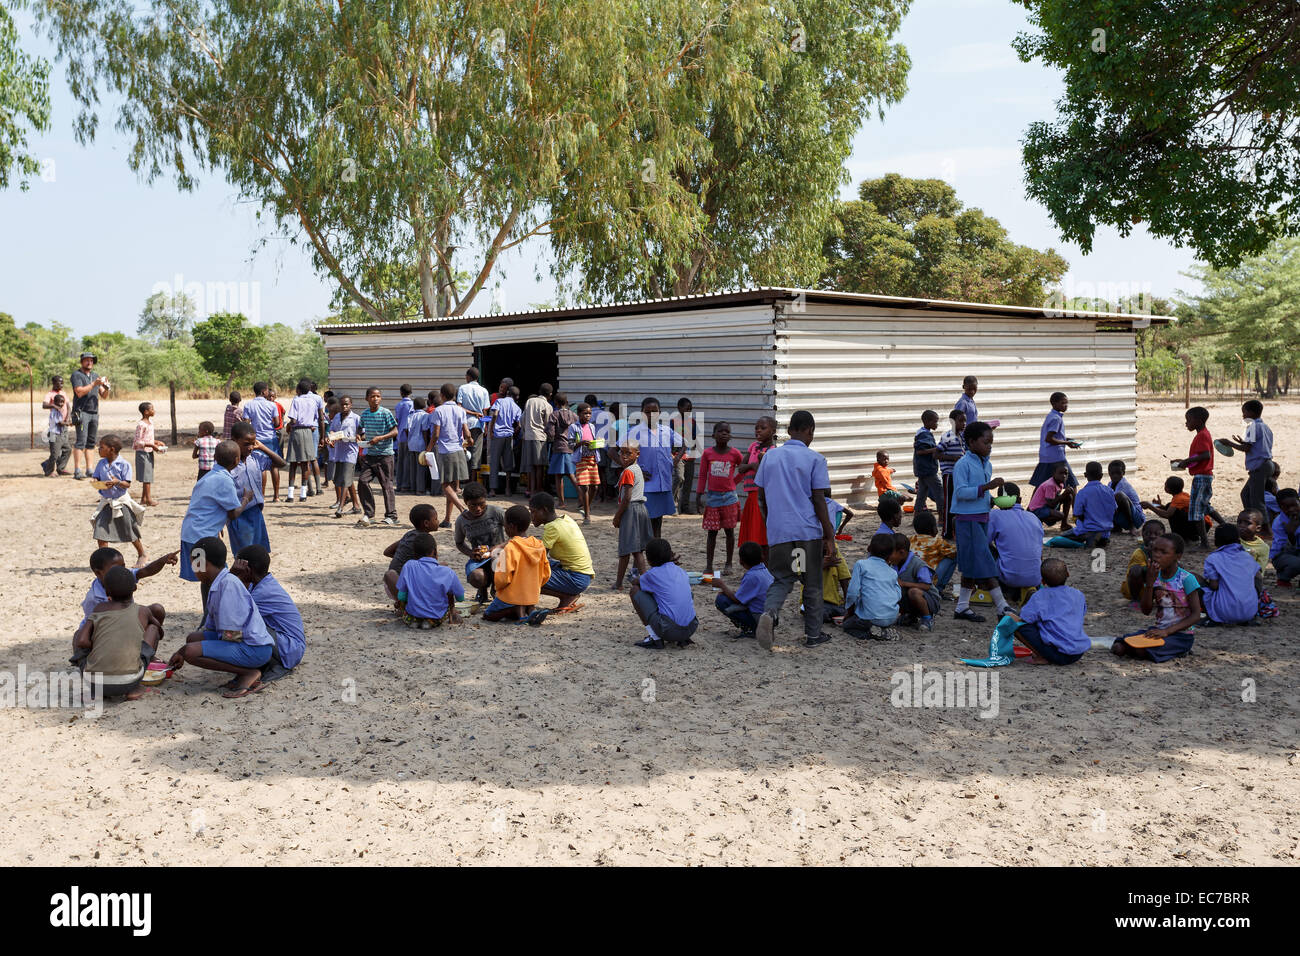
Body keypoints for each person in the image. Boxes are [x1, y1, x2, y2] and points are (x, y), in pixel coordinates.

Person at [753, 410, 835, 651]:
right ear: (810, 431)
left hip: (779, 532)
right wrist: (829, 536)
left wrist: (771, 521)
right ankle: (813, 635)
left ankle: (770, 612)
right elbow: (819, 500)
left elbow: (761, 496)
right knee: (811, 584)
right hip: (807, 532)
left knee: (782, 578)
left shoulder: (770, 457)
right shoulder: (815, 459)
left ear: (789, 430)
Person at [169, 536, 274, 698]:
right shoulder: (218, 583)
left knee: (190, 651)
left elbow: (233, 635)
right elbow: (213, 627)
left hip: (254, 649)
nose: (193, 569)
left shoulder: (228, 586)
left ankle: (248, 672)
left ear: (204, 564)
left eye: (194, 564)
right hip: (240, 640)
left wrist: (184, 651)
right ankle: (243, 671)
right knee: (193, 638)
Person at [178, 441, 256, 607]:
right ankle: (212, 615)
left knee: (207, 578)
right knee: (218, 577)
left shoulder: (209, 476)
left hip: (191, 534)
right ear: (236, 460)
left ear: (214, 457)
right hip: (202, 538)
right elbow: (234, 513)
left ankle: (208, 614)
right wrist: (246, 499)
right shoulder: (225, 481)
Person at [73, 566, 163, 701]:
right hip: (129, 681)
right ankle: (135, 689)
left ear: (107, 592)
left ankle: (93, 692)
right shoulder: (143, 611)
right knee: (153, 629)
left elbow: (81, 641)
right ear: (135, 588)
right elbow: (158, 630)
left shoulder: (99, 608)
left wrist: (97, 644)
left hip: (94, 682)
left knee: (77, 634)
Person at [950, 421, 1010, 621]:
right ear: (972, 442)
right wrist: (986, 487)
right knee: (985, 562)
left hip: (982, 516)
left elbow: (979, 493)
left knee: (971, 564)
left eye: (991, 443)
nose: (989, 446)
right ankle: (1002, 606)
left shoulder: (986, 463)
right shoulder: (963, 464)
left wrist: (993, 500)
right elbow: (960, 492)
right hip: (967, 519)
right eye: (986, 442)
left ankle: (962, 607)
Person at [1113, 533, 1201, 661]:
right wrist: (1149, 584)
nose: (1156, 555)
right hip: (1158, 631)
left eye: (1163, 552)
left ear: (1178, 556)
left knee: (1141, 651)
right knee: (1119, 646)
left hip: (1181, 635)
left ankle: (1180, 650)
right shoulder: (1155, 576)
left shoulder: (1187, 579)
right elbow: (1146, 610)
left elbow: (1196, 615)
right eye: (1154, 550)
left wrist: (1167, 632)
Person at [231, 544, 306, 683]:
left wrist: (232, 576)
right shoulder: (259, 583)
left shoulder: (263, 592)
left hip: (290, 648)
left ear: (247, 570)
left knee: (241, 629)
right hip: (287, 644)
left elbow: (231, 611)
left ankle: (277, 665)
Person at [1005, 558, 1089, 665]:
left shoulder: (1040, 596)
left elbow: (1024, 618)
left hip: (1058, 654)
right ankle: (1046, 652)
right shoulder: (1078, 594)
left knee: (1012, 620)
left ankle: (1041, 656)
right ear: (1068, 574)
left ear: (1042, 581)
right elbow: (1081, 613)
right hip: (1078, 653)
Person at [483, 505, 550, 623]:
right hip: (531, 595)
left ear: (511, 527)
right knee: (525, 599)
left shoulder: (509, 548)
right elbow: (546, 574)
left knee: (488, 615)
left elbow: (502, 579)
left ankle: (515, 610)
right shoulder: (539, 545)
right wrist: (533, 587)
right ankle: (529, 609)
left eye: (505, 526)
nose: (505, 529)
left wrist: (497, 588)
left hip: (512, 596)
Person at [627, 397, 684, 536]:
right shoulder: (635, 432)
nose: (651, 414)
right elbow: (613, 451)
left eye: (654, 411)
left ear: (659, 413)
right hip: (645, 486)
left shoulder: (666, 431)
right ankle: (641, 553)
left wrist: (674, 461)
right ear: (641, 413)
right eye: (647, 411)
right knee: (643, 522)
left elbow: (683, 444)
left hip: (663, 484)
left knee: (658, 523)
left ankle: (655, 553)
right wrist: (633, 470)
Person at [530, 492, 594, 611]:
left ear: (544, 510)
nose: (531, 516)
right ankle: (567, 595)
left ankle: (566, 596)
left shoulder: (552, 527)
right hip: (584, 574)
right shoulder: (566, 519)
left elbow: (537, 559)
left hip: (576, 578)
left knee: (528, 574)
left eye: (533, 512)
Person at [228, 421, 285, 555]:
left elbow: (281, 463)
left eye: (253, 443)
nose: (250, 447)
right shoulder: (228, 464)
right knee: (245, 556)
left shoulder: (255, 458)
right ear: (234, 441)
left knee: (261, 554)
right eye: (246, 444)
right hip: (239, 516)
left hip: (256, 513)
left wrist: (263, 448)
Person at [90, 435, 147, 566]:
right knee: (100, 531)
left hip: (121, 502)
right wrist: (96, 482)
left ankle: (142, 553)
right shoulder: (101, 463)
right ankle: (105, 560)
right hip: (106, 502)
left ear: (112, 449)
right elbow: (97, 478)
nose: (99, 449)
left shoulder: (124, 464)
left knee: (130, 530)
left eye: (102, 447)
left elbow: (127, 484)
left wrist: (117, 482)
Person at [630, 537, 698, 648]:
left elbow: (635, 582)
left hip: (669, 630)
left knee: (635, 591)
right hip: (691, 628)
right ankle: (683, 638)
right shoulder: (680, 570)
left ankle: (655, 638)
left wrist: (633, 576)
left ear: (649, 560)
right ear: (670, 554)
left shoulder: (653, 574)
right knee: (684, 593)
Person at [694, 421, 743, 574]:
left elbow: (743, 469)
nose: (723, 434)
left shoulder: (735, 454)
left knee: (729, 532)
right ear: (713, 435)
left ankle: (728, 564)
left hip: (729, 498)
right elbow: (702, 475)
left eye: (727, 431)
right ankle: (709, 565)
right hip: (713, 498)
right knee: (712, 533)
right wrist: (699, 494)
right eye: (720, 431)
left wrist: (733, 483)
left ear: (730, 436)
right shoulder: (708, 454)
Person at [394, 533, 463, 628]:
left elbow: (401, 596)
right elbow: (461, 598)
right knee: (448, 588)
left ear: (414, 553)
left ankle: (415, 618)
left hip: (411, 617)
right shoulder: (448, 572)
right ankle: (452, 613)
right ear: (435, 552)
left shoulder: (409, 566)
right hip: (436, 619)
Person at [842, 533, 902, 641]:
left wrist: (849, 612)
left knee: (847, 626)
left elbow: (852, 593)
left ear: (868, 548)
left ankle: (872, 634)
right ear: (890, 555)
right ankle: (884, 629)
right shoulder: (892, 572)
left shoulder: (861, 565)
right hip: (892, 617)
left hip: (871, 617)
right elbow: (898, 594)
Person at [987, 482, 1044, 596]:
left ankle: (988, 587)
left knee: (981, 547)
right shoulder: (1033, 517)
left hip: (1009, 578)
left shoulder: (995, 515)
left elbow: (983, 542)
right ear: (1020, 499)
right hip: (1035, 578)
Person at [455, 482, 508, 603]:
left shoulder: (496, 512)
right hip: (479, 560)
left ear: (485, 500)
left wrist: (498, 547)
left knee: (498, 558)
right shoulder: (462, 521)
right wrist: (470, 553)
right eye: (473, 505)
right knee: (476, 577)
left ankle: (497, 589)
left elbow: (515, 536)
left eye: (481, 504)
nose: (478, 509)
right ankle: (482, 589)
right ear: (466, 503)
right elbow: (459, 543)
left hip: (500, 558)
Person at [1200, 524, 1261, 626]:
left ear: (1216, 540)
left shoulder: (1213, 558)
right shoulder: (1247, 557)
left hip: (1224, 612)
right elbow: (1258, 577)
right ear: (1238, 539)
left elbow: (1214, 586)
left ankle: (1209, 616)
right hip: (1249, 612)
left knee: (1193, 579)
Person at [1222, 400, 1274, 519]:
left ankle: (1264, 527)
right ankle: (1252, 520)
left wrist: (1228, 443)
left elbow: (1247, 448)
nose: (1243, 416)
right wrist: (1242, 442)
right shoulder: (1265, 427)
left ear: (1251, 412)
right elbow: (1257, 445)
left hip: (1259, 466)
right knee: (1245, 494)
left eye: (1244, 412)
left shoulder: (1252, 426)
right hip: (1268, 464)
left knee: (1256, 499)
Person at [355, 386, 399, 528]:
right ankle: (369, 514)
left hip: (385, 455)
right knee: (362, 481)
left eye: (378, 396)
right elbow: (360, 429)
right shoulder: (365, 414)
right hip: (371, 455)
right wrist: (359, 436)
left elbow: (395, 431)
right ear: (367, 399)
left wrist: (380, 438)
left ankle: (391, 515)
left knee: (386, 485)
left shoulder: (385, 413)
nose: (375, 399)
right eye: (373, 396)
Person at [430, 383, 472, 527]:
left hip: (445, 451)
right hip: (459, 450)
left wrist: (428, 450)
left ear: (442, 395)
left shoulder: (438, 411)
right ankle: (447, 519)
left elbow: (435, 435)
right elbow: (466, 433)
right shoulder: (461, 411)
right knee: (453, 486)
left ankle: (462, 509)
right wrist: (470, 440)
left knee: (445, 485)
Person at [1171, 405, 1214, 548]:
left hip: (1202, 477)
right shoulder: (1203, 434)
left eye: (1188, 420)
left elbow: (1205, 455)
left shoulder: (1202, 435)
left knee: (1197, 510)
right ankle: (1223, 526)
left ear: (1198, 420)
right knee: (1204, 506)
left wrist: (1187, 461)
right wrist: (1183, 462)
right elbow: (1199, 457)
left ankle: (1204, 542)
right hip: (1203, 475)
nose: (1186, 424)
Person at [613, 442, 653, 589]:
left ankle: (619, 583)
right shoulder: (637, 469)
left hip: (630, 510)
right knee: (638, 549)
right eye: (622, 453)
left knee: (627, 550)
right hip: (641, 509)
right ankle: (642, 580)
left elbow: (627, 497)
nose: (623, 456)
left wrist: (617, 516)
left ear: (637, 454)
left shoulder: (628, 471)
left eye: (628, 453)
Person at [711, 541, 772, 639]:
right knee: (727, 596)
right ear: (762, 557)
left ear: (741, 561)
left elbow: (738, 600)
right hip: (772, 618)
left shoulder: (751, 576)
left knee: (721, 600)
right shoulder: (764, 570)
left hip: (759, 618)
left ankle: (750, 629)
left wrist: (722, 585)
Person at [1049, 461, 1115, 549]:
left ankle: (1083, 544)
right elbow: (1114, 509)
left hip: (1087, 530)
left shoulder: (1083, 493)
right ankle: (1099, 539)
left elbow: (1077, 514)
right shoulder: (1109, 491)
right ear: (1101, 475)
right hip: (1106, 532)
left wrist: (1077, 521)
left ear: (1085, 475)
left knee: (1056, 539)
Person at [736, 416, 777, 558]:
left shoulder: (772, 451)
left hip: (761, 497)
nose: (758, 430)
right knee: (753, 533)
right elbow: (741, 468)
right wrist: (753, 465)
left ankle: (765, 563)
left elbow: (766, 475)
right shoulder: (753, 446)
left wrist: (757, 464)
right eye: (756, 428)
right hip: (751, 496)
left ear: (773, 431)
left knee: (761, 533)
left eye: (763, 428)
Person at [383, 503, 441, 603]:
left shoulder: (409, 535)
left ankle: (401, 603)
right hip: (407, 588)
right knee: (442, 567)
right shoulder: (428, 540)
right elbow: (433, 565)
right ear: (426, 523)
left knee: (390, 573)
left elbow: (387, 552)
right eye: (436, 519)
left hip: (391, 586)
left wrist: (401, 557)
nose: (438, 521)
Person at [1029, 392, 1081, 499]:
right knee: (1071, 484)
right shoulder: (1056, 419)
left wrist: (1067, 440)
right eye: (1063, 403)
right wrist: (1067, 443)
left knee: (1040, 485)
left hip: (1046, 456)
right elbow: (1049, 439)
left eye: (1066, 403)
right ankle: (1076, 513)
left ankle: (1030, 510)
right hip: (1056, 457)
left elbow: (1053, 436)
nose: (1065, 406)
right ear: (1054, 404)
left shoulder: (1051, 416)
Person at [70, 351, 110, 479]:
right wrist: (94, 384)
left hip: (94, 412)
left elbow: (103, 395)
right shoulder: (77, 375)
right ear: (82, 361)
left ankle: (89, 469)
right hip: (81, 412)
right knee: (81, 441)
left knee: (91, 442)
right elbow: (79, 392)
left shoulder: (95, 375)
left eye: (91, 360)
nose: (89, 362)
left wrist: (106, 386)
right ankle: (77, 470)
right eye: (87, 360)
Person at [241, 383, 282, 502]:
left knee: (260, 467)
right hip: (270, 438)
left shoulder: (248, 405)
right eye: (267, 391)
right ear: (264, 392)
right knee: (274, 466)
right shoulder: (272, 405)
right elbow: (276, 423)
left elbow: (246, 423)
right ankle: (276, 496)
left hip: (256, 439)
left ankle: (262, 495)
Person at [284, 379, 323, 501]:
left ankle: (290, 495)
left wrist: (289, 425)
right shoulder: (313, 401)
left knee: (294, 463)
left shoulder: (296, 400)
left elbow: (294, 420)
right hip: (308, 432)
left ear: (299, 390)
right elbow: (317, 418)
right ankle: (303, 494)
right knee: (306, 463)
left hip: (297, 431)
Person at [893, 533, 939, 632]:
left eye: (891, 553)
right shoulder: (894, 564)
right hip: (909, 601)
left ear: (901, 552)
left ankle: (927, 619)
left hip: (929, 600)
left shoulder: (918, 564)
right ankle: (909, 615)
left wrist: (904, 584)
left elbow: (926, 586)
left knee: (913, 592)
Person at [327, 395, 363, 518]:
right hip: (339, 451)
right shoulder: (337, 417)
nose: (344, 407)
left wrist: (358, 436)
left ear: (351, 405)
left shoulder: (356, 418)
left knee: (344, 480)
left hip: (350, 451)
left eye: (347, 404)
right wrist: (331, 439)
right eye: (342, 405)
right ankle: (356, 505)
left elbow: (362, 433)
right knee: (345, 479)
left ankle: (341, 507)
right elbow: (332, 430)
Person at [1141, 476, 1202, 543]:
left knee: (1173, 513)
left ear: (1168, 489)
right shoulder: (1183, 495)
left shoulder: (1177, 499)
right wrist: (1159, 506)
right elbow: (1169, 510)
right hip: (1200, 523)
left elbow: (1167, 514)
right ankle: (1190, 536)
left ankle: (1182, 537)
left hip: (1199, 525)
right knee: (1169, 506)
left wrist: (1150, 506)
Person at [909, 508, 957, 596]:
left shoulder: (911, 539)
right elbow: (954, 552)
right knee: (952, 558)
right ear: (932, 529)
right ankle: (938, 589)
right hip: (928, 581)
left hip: (911, 579)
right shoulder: (937, 542)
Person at [487, 379, 522, 495]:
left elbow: (495, 414)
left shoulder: (499, 402)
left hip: (497, 435)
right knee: (508, 464)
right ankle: (508, 489)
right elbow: (519, 425)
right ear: (516, 396)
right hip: (509, 436)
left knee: (494, 462)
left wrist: (491, 429)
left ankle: (492, 489)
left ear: (507, 393)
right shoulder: (517, 408)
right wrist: (513, 432)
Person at [937, 409, 967, 538]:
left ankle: (955, 531)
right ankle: (946, 532)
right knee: (949, 503)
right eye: (961, 421)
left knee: (957, 503)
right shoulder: (947, 436)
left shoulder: (962, 437)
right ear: (953, 422)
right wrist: (953, 458)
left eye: (965, 420)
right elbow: (936, 454)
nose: (964, 423)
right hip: (949, 474)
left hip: (958, 475)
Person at [546, 394, 579, 508]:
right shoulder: (574, 416)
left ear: (556, 403)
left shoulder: (554, 415)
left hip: (559, 447)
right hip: (570, 448)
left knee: (559, 476)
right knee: (571, 474)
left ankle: (561, 502)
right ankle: (582, 498)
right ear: (567, 402)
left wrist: (551, 438)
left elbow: (550, 432)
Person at [1121, 519, 1167, 602]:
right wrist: (1152, 555)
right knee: (1136, 570)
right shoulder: (1139, 553)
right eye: (1148, 534)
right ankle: (1135, 600)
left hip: (1161, 588)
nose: (1152, 536)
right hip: (1142, 589)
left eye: (1157, 534)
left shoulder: (1167, 551)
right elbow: (1142, 573)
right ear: (1142, 535)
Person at [128, 402, 164, 507]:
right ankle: (148, 499)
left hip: (149, 451)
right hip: (142, 453)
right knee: (147, 477)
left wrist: (156, 442)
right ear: (146, 412)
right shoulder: (141, 425)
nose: (154, 411)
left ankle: (144, 498)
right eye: (152, 409)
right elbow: (138, 442)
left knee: (147, 475)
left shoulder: (150, 423)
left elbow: (148, 438)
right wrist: (152, 445)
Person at [457, 367, 492, 473]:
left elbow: (459, 407)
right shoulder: (484, 391)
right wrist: (485, 426)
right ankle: (473, 481)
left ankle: (464, 479)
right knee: (476, 453)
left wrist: (472, 413)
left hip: (465, 424)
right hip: (479, 424)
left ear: (468, 377)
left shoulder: (462, 388)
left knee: (464, 450)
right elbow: (484, 411)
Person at [572, 402, 601, 523]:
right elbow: (570, 445)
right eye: (585, 413)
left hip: (592, 459)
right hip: (581, 459)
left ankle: (586, 506)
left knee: (594, 486)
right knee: (584, 487)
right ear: (579, 414)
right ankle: (587, 516)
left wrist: (597, 442)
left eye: (589, 413)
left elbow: (593, 440)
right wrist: (582, 443)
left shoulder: (592, 426)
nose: (588, 416)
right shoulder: (574, 427)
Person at [912, 410, 943, 518]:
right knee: (940, 492)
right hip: (928, 470)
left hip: (922, 470)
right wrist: (936, 449)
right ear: (927, 421)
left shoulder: (921, 432)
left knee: (922, 494)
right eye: (935, 422)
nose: (936, 424)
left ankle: (917, 517)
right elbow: (920, 451)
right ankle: (942, 518)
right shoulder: (924, 434)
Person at [1026, 462, 1075, 530]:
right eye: (1060, 473)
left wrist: (1067, 494)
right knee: (1060, 515)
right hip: (1037, 509)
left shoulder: (1060, 483)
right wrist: (1064, 494)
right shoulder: (1050, 485)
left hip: (1046, 505)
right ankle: (1037, 520)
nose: (1064, 476)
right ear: (1054, 474)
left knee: (1069, 497)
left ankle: (1064, 524)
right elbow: (1051, 504)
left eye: (1066, 473)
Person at [1268, 488, 1300, 588]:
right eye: (1286, 507)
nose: (1291, 509)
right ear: (1280, 507)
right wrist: (1291, 533)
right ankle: (1283, 577)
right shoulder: (1279, 523)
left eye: (1294, 505)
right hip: (1281, 555)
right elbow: (1283, 548)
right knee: (1297, 564)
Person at [41, 374, 72, 475]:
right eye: (60, 382)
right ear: (54, 383)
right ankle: (48, 469)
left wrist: (67, 418)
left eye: (63, 382)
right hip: (55, 428)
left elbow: (68, 406)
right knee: (55, 451)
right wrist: (54, 406)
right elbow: (44, 405)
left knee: (66, 449)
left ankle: (60, 468)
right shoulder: (50, 394)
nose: (62, 385)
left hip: (63, 427)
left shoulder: (63, 393)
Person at [673, 397, 699, 515]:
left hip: (690, 456)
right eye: (686, 408)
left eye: (690, 409)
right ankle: (673, 505)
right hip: (678, 455)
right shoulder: (673, 421)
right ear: (679, 408)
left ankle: (685, 507)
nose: (688, 411)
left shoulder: (693, 422)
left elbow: (695, 438)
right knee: (679, 478)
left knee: (688, 482)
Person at [1108, 459, 1145, 533]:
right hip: (1123, 517)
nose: (1115, 476)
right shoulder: (1110, 484)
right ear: (1109, 473)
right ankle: (1116, 526)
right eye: (1112, 473)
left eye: (1118, 473)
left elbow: (1114, 500)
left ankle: (1132, 526)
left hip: (1136, 518)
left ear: (1123, 473)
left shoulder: (1123, 484)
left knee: (1119, 496)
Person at [393, 384, 415, 494]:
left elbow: (397, 420)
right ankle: (406, 485)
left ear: (401, 392)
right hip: (409, 436)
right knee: (407, 462)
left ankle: (399, 484)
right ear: (411, 393)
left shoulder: (398, 405)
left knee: (400, 461)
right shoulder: (412, 405)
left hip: (400, 436)